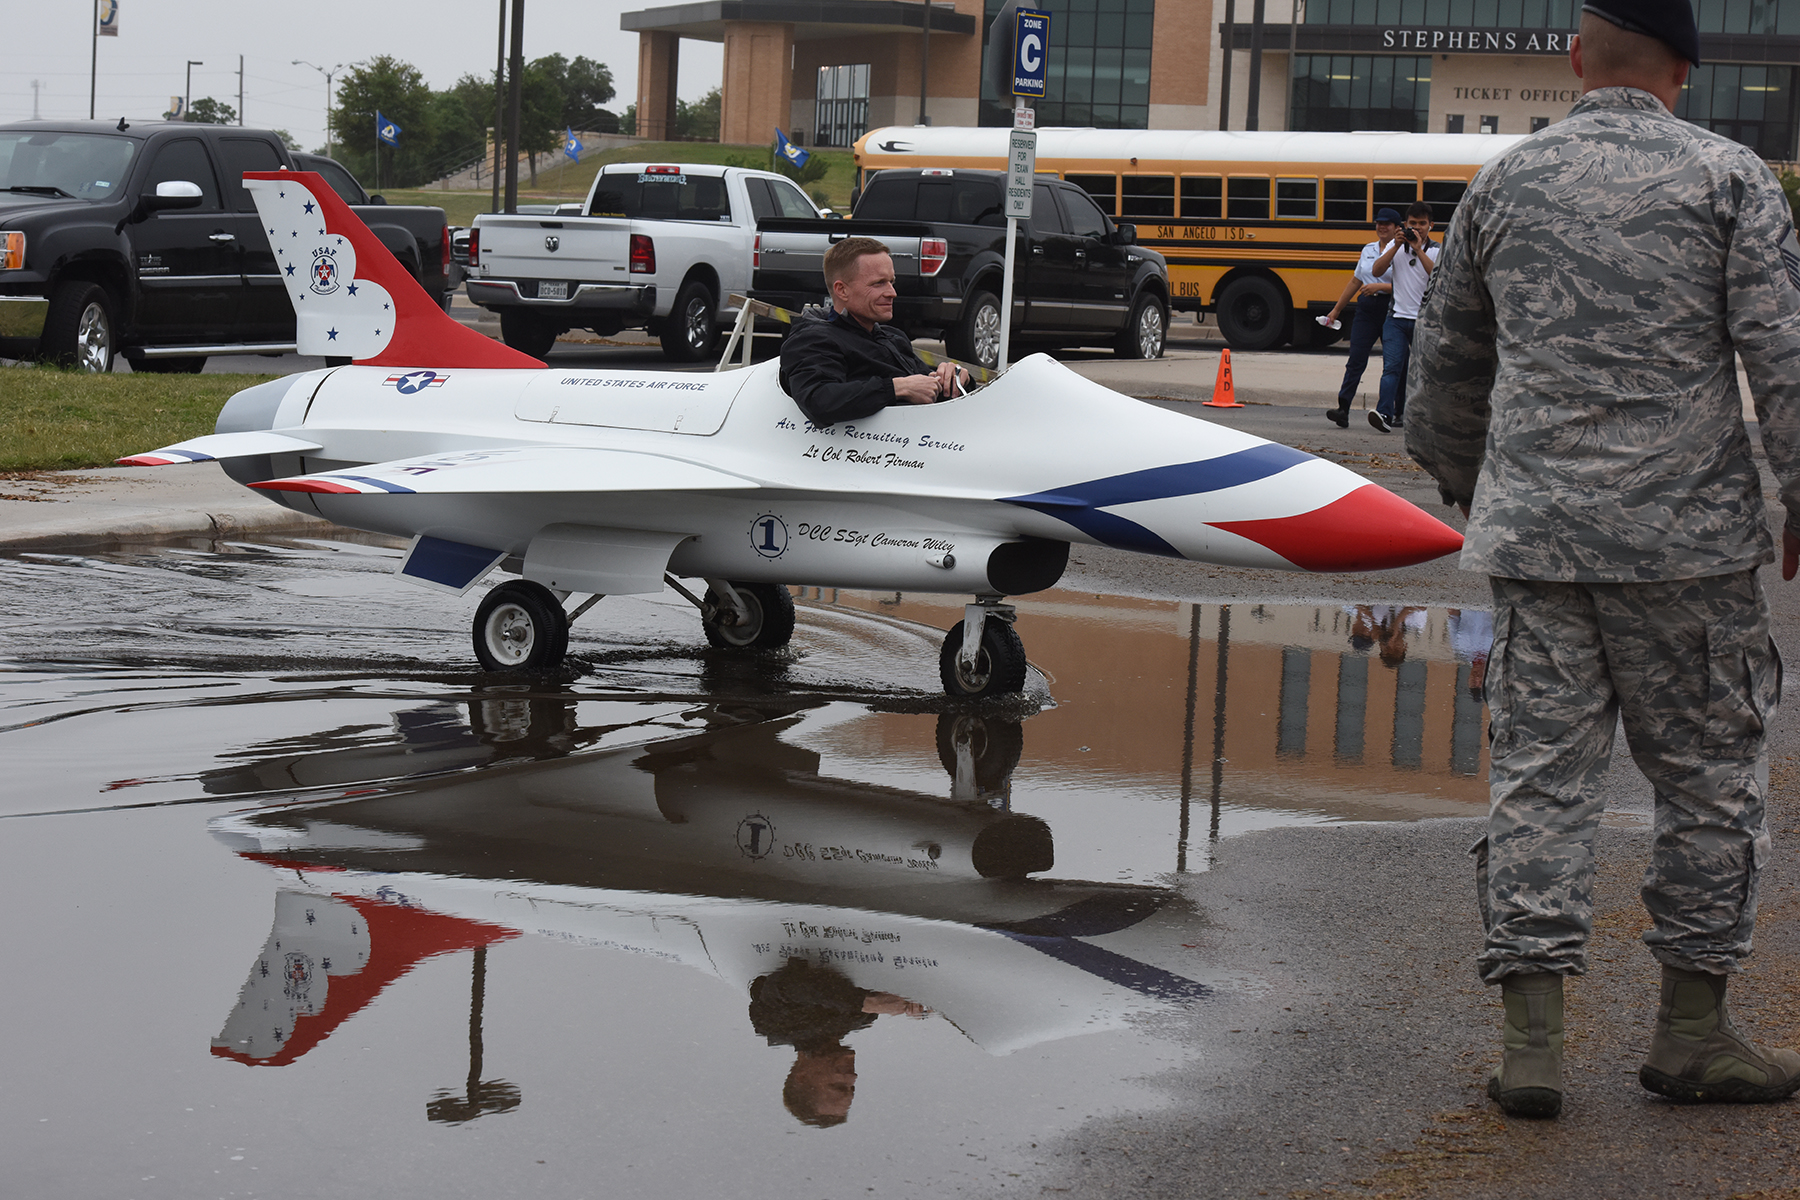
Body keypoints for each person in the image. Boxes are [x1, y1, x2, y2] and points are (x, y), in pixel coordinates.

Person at [1406, 0, 1800, 1120]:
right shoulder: (1730, 178)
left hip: (1538, 542)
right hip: (1689, 549)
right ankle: (1691, 1034)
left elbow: (1445, 368)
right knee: (1711, 783)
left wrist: (1477, 486)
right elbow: (1781, 353)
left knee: (1541, 782)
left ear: (1576, 59)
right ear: (1685, 68)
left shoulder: (1504, 182)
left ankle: (1532, 1051)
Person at [779, 236, 968, 427]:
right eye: (878, 283)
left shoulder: (893, 338)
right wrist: (897, 388)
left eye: (891, 282)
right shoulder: (813, 340)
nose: (892, 292)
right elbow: (818, 400)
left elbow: (925, 388)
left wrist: (953, 380)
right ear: (842, 290)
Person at [747, 957, 928, 1127]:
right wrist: (918, 1003)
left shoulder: (773, 1025)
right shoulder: (860, 1019)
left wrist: (864, 1002)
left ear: (802, 1077)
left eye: (838, 1086)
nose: (852, 1077)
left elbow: (789, 984)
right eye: (851, 1088)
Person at [1321, 209, 1400, 428]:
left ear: (1397, 227)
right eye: (1379, 223)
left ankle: (1395, 410)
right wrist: (1336, 310)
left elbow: (1409, 285)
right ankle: (1343, 408)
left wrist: (1381, 286)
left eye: (1387, 224)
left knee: (1393, 362)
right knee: (1356, 359)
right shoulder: (1368, 249)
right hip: (1366, 308)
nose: (1382, 227)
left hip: (1391, 307)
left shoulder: (1402, 251)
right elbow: (1356, 281)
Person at [1367, 201, 1439, 432]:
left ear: (1431, 226)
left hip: (1425, 321)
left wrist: (1418, 249)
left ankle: (1420, 417)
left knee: (1423, 372)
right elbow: (1376, 271)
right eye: (1412, 224)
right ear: (1404, 225)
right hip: (1396, 319)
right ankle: (1384, 414)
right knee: (1392, 367)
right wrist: (1397, 245)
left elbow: (1438, 276)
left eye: (1422, 224)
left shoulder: (1437, 249)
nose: (1416, 228)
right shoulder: (1394, 247)